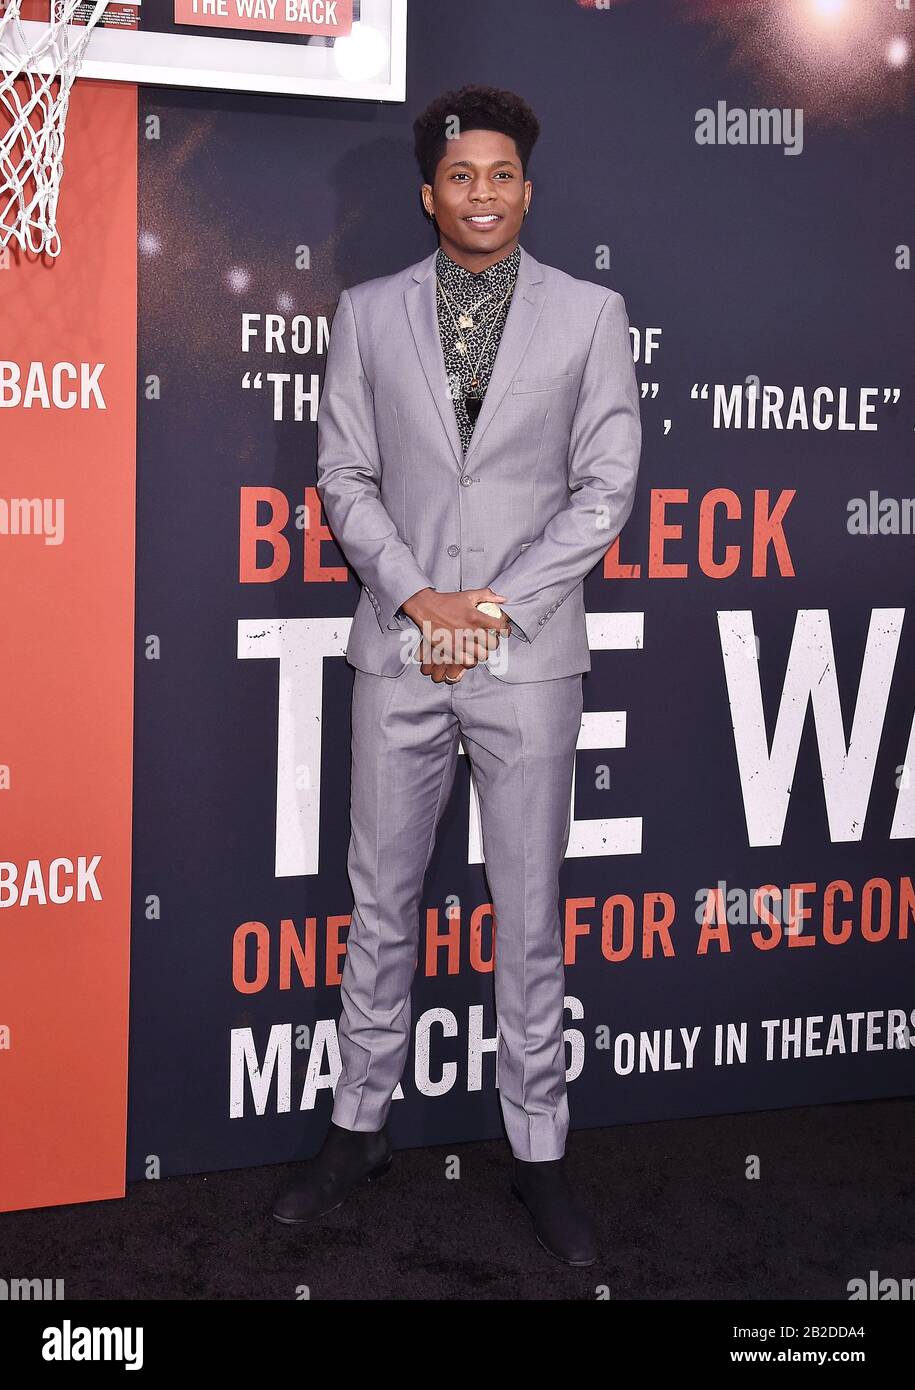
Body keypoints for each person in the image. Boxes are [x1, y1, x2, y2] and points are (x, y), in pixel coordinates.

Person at [273, 84, 642, 1266]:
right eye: (459, 175)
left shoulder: (588, 316)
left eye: (499, 175)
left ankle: (537, 1151)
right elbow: (343, 476)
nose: (479, 192)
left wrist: (488, 608)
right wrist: (417, 598)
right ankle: (356, 1128)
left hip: (524, 655)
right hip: (397, 644)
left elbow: (602, 490)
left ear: (525, 191)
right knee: (380, 903)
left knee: (526, 917)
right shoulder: (367, 312)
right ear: (427, 191)